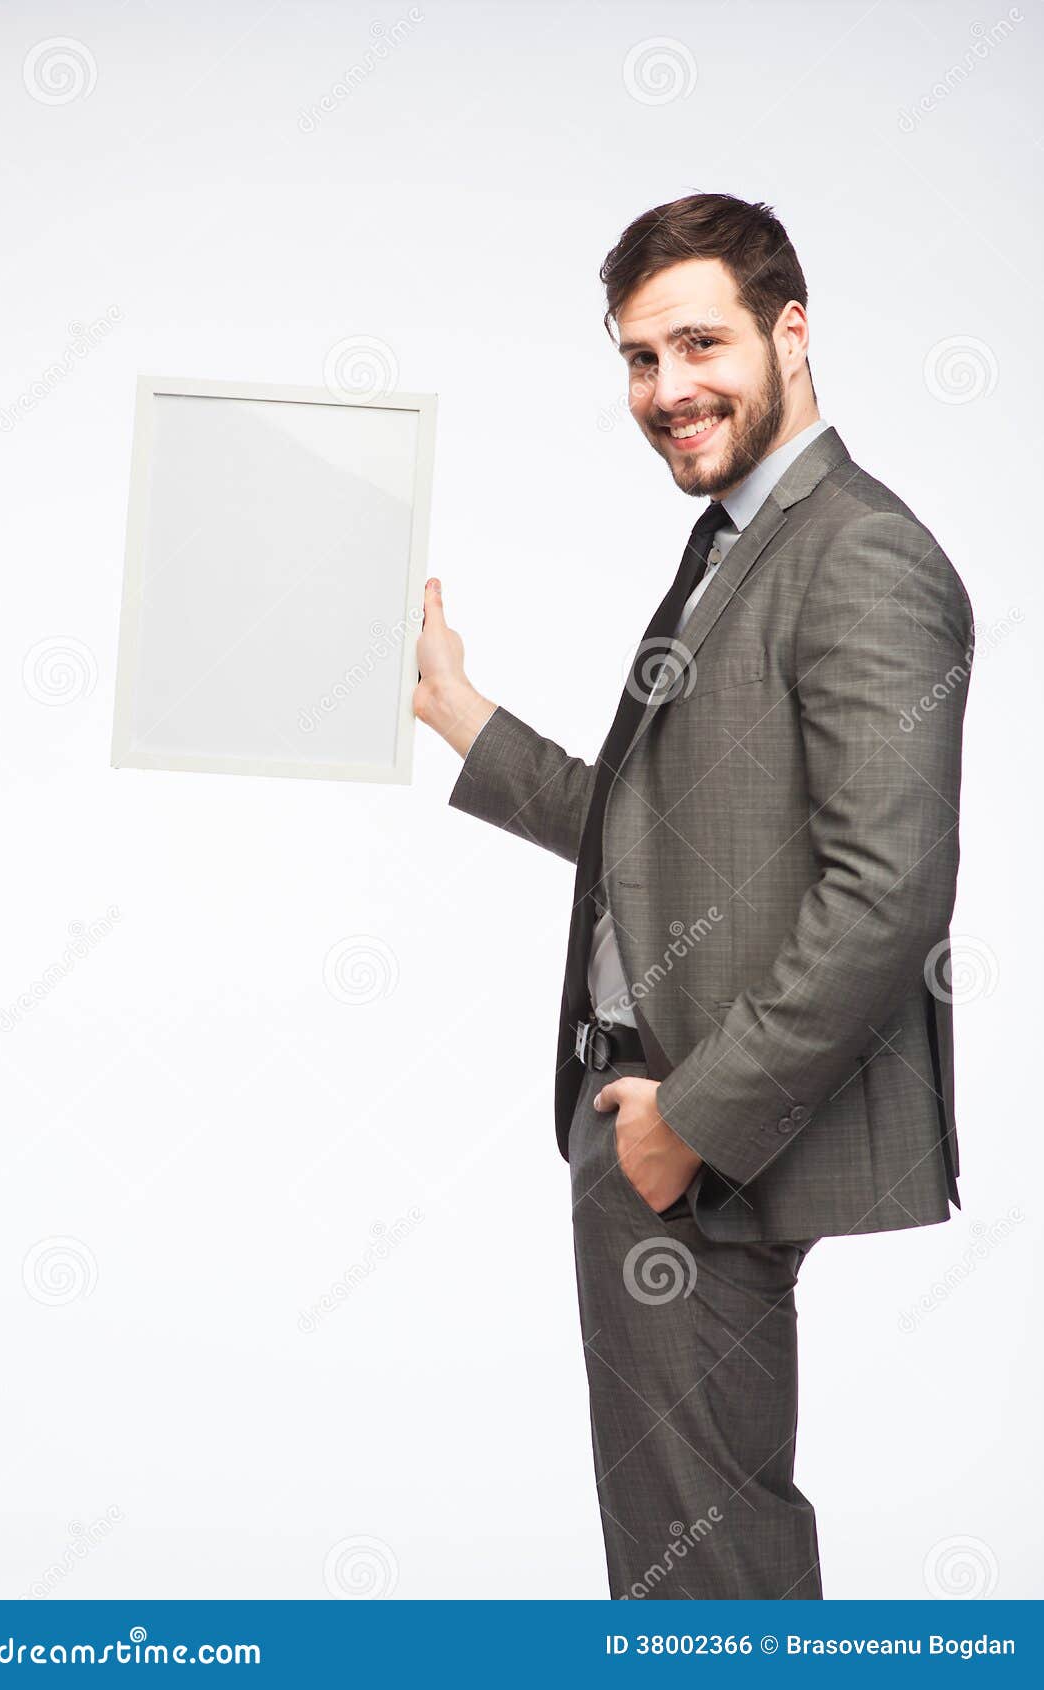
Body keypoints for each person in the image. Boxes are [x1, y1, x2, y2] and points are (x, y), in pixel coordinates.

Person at [413, 192, 975, 1600]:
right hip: (646, 1132)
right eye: (638, 359)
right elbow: (668, 834)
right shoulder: (739, 536)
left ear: (792, 331)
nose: (668, 391)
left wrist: (690, 1128)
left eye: (699, 345)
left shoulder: (859, 553)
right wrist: (461, 714)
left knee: (708, 1585)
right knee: (685, 1575)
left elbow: (887, 893)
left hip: (706, 1146)